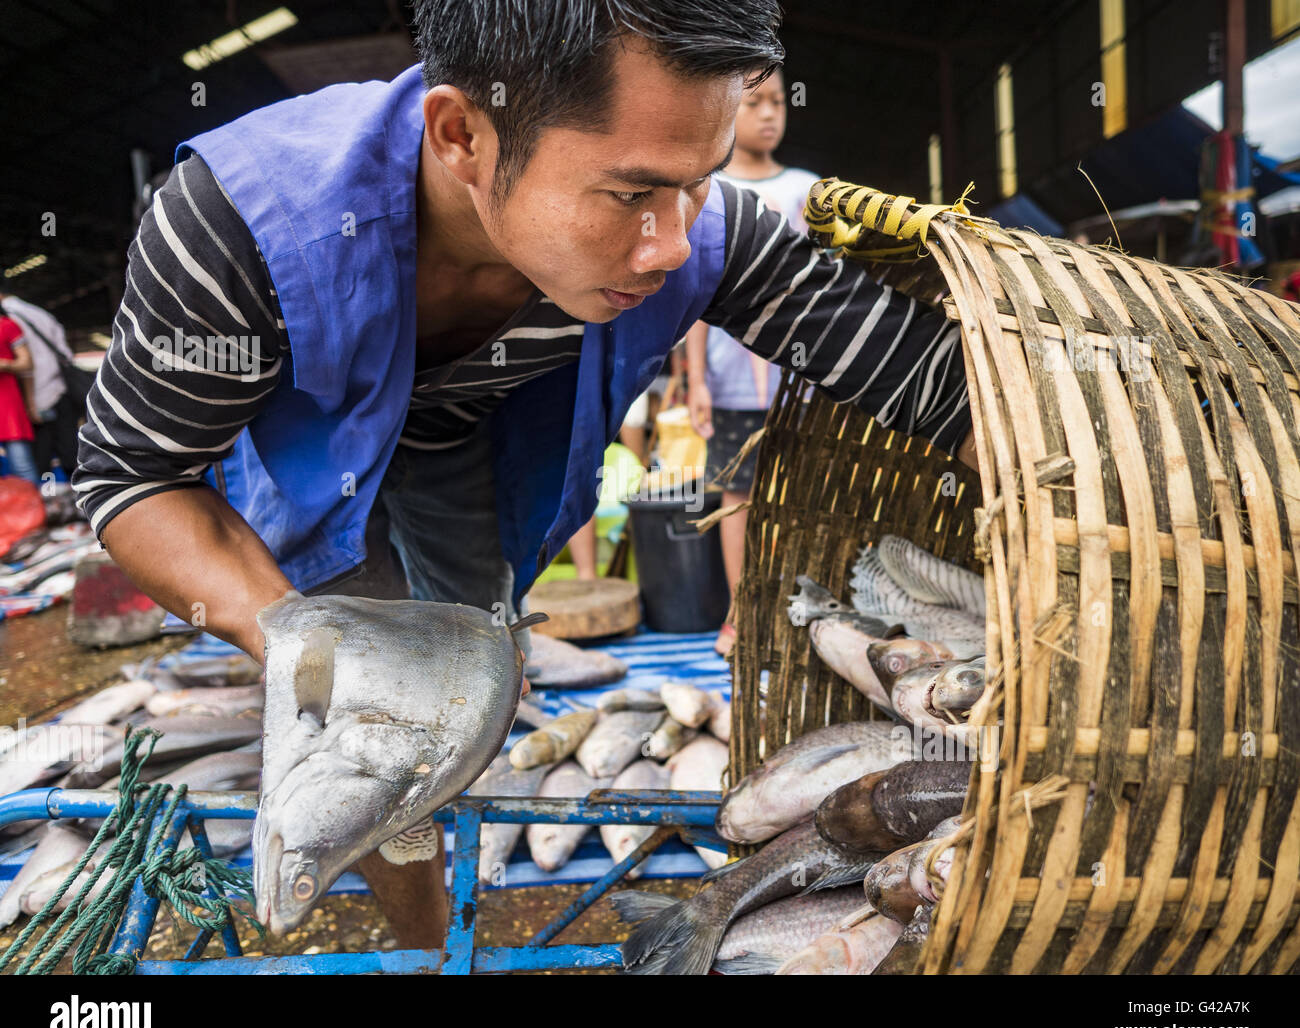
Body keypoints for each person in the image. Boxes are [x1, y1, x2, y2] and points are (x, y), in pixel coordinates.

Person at [73, 0, 975, 950]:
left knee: (473, 674)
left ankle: (439, 872)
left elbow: (931, 384)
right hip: (321, 463)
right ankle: (430, 950)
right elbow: (131, 473)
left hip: (483, 443)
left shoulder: (698, 236)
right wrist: (308, 647)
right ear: (462, 135)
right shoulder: (241, 226)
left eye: (699, 185)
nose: (672, 243)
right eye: (630, 194)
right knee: (374, 722)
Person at [684, 67, 818, 655]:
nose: (769, 113)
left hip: (799, 380)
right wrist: (695, 381)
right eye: (754, 102)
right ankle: (740, 615)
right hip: (731, 378)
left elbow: (826, 288)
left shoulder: (809, 192)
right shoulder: (703, 188)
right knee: (735, 497)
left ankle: (801, 616)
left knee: (800, 497)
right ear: (724, 108)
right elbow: (691, 295)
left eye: (778, 102)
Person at [0, 293, 81, 479]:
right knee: (71, 457)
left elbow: (28, 368)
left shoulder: (10, 319)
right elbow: (66, 354)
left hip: (36, 398)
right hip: (60, 391)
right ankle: (80, 504)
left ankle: (45, 503)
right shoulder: (39, 313)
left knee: (39, 462)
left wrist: (30, 403)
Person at [0, 313, 38, 484]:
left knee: (22, 465)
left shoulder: (7, 325)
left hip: (7, 403)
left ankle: (32, 509)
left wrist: (5, 364)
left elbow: (27, 362)